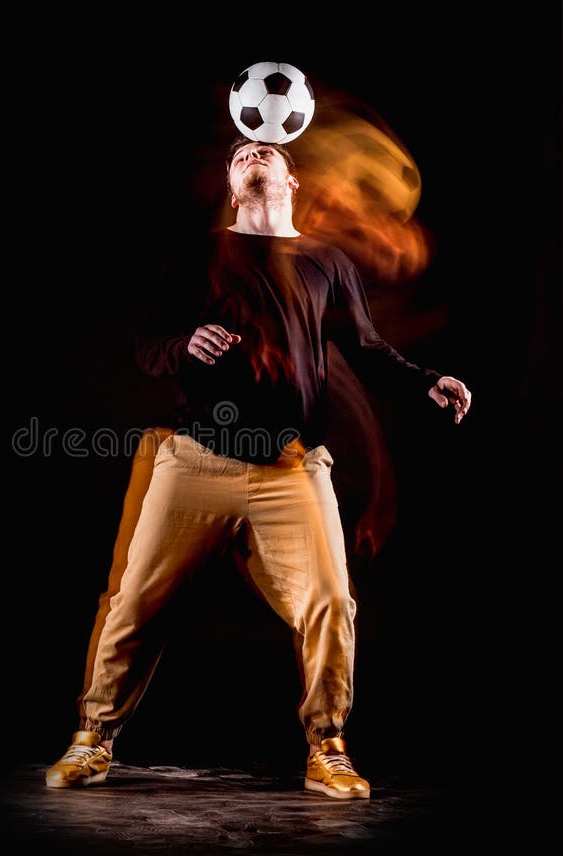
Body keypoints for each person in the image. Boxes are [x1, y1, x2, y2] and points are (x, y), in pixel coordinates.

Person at [45, 136, 472, 799]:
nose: (252, 153)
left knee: (332, 603)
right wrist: (185, 345)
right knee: (133, 603)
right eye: (241, 151)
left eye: (266, 150)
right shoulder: (198, 255)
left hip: (292, 471)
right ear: (228, 177)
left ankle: (327, 749)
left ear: (291, 180)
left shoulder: (325, 262)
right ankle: (91, 740)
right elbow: (148, 348)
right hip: (194, 463)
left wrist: (425, 380)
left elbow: (366, 345)